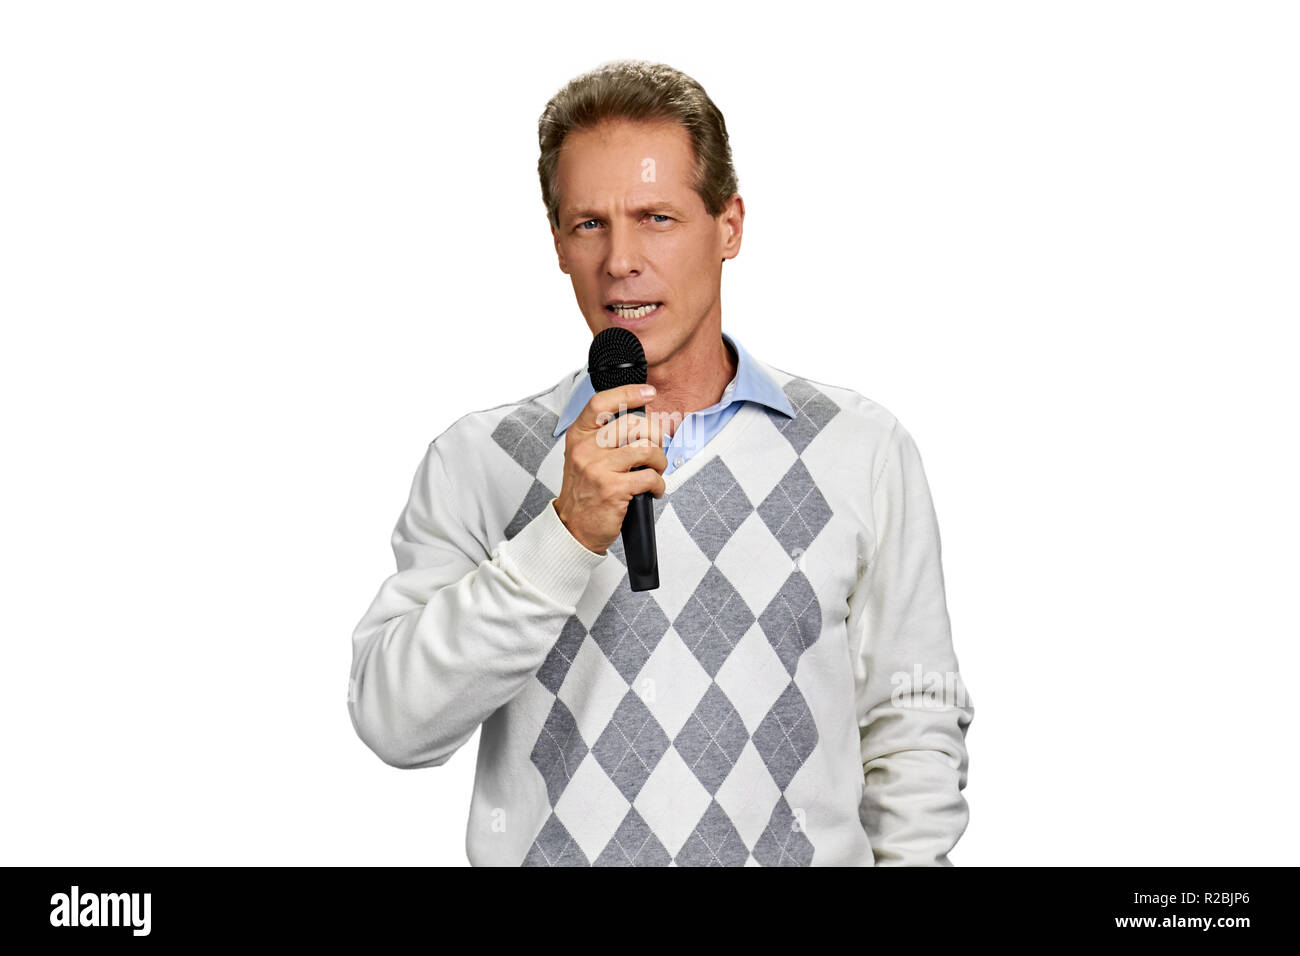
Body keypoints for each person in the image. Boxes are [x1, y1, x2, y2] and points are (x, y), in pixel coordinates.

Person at [347, 59, 974, 866]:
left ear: (730, 225)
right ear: (558, 244)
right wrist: (564, 537)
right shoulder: (479, 460)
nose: (621, 260)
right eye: (589, 224)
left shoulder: (860, 449)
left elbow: (912, 722)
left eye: (657, 217)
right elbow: (394, 722)